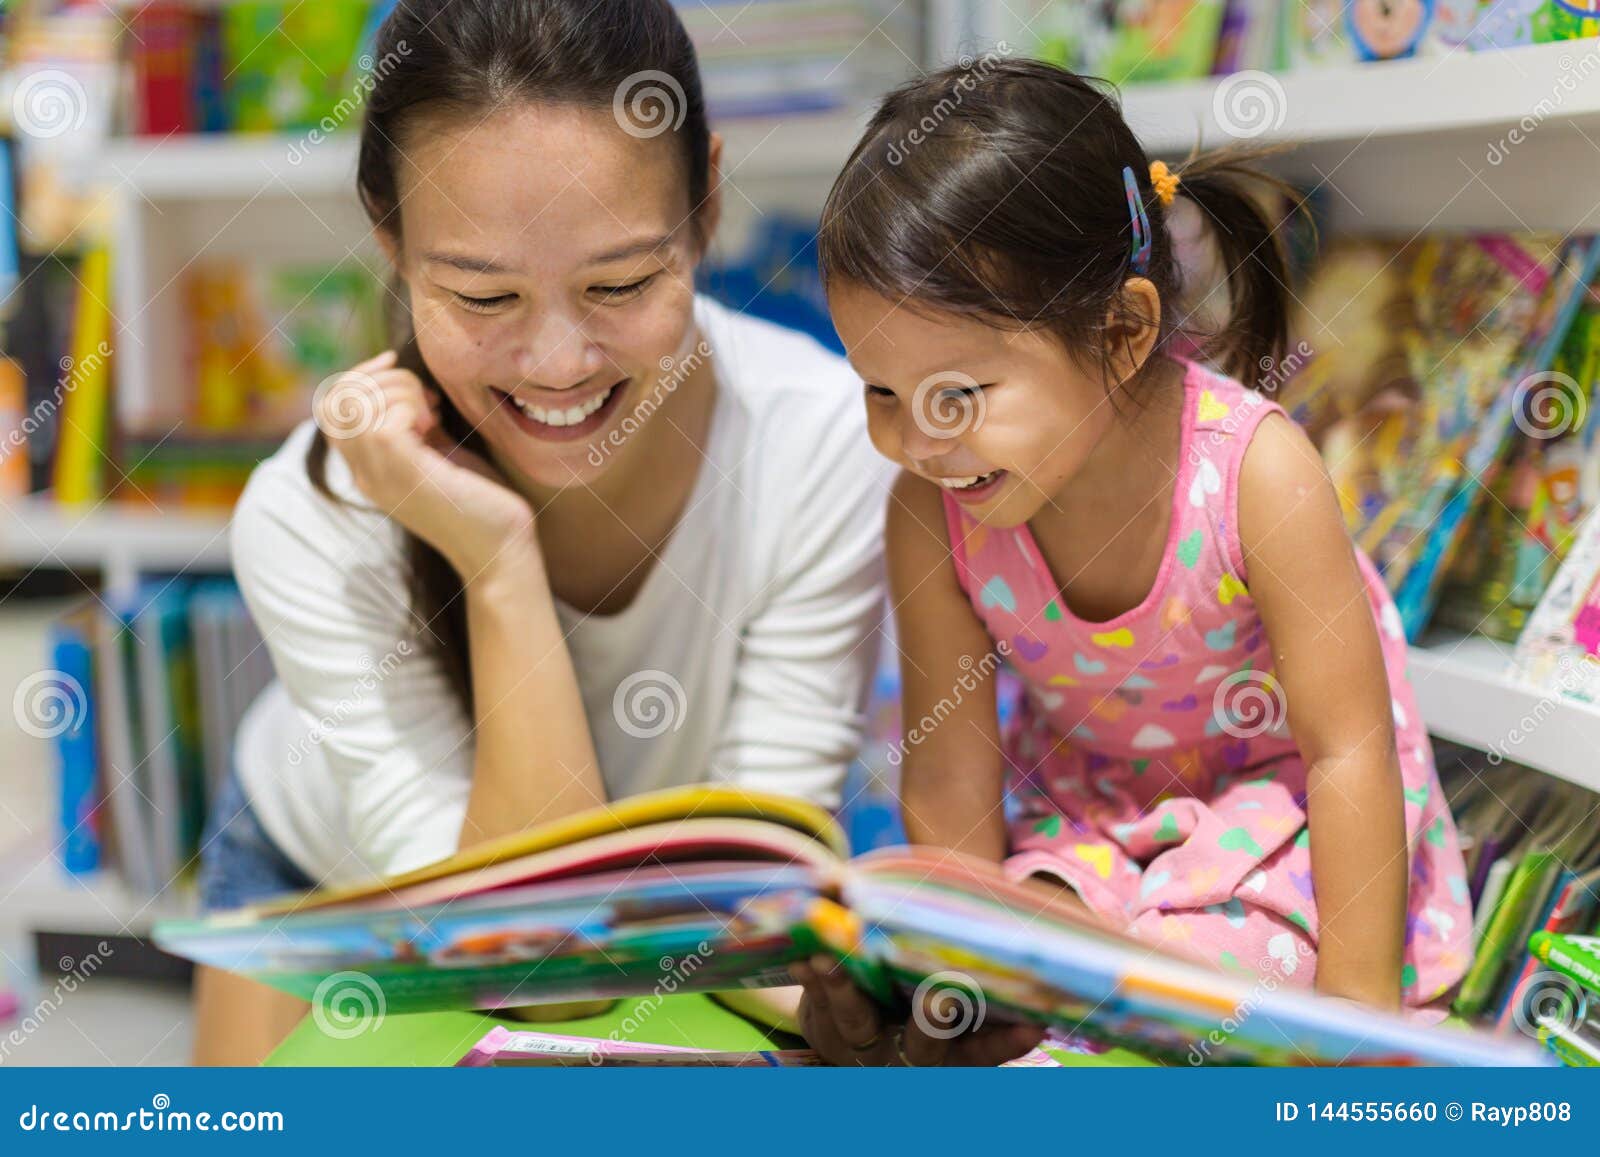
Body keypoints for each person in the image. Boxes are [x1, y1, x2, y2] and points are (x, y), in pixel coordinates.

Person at [194, 0, 890, 1065]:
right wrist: (495, 557)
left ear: (706, 202)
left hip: (664, 919)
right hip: (322, 876)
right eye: (483, 295)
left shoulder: (824, 444)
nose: (558, 360)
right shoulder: (312, 517)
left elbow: (746, 901)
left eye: (619, 282)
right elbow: (525, 972)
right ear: (388, 235)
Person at [794, 58, 1473, 1065]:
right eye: (881, 392)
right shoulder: (931, 509)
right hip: (1089, 817)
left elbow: (1347, 753)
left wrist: (1358, 1017)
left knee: (1197, 973)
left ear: (1121, 332)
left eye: (958, 394)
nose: (916, 440)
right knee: (993, 965)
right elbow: (949, 773)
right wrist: (946, 962)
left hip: (1275, 815)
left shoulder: (1256, 473)